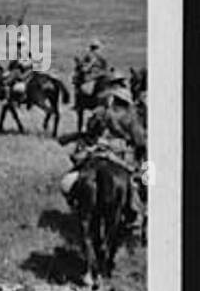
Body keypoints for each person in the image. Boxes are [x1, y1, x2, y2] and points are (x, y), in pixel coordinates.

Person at [60, 85, 146, 233]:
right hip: (122, 154)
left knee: (76, 171)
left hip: (99, 149)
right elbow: (140, 142)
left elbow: (90, 131)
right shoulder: (131, 118)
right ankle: (136, 213)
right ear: (127, 102)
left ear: (115, 99)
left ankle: (75, 199)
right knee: (138, 183)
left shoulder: (103, 113)